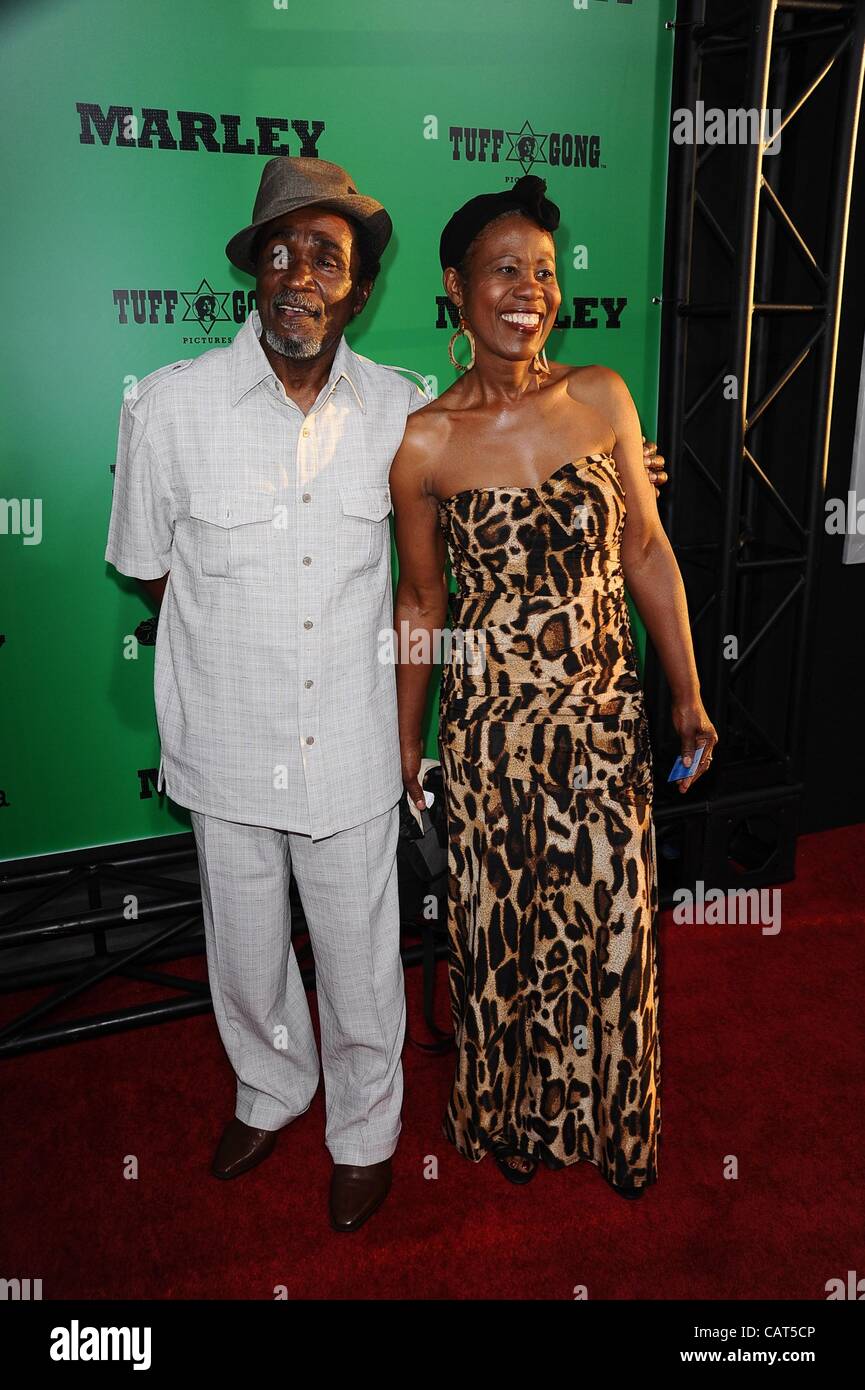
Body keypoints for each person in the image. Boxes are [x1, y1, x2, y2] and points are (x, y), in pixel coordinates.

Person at [105, 157, 668, 1232]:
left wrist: (621, 463)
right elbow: (146, 565)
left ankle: (363, 1133)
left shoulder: (405, 414)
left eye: (328, 256)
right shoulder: (167, 409)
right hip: (225, 736)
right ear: (252, 272)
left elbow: (506, 467)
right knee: (245, 945)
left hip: (357, 744)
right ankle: (270, 1090)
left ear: (360, 289)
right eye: (281, 251)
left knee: (364, 959)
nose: (301, 275)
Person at [391, 174, 717, 1197]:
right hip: (489, 739)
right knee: (503, 933)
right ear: (455, 288)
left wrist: (688, 695)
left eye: (544, 269)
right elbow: (421, 606)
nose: (529, 287)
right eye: (503, 269)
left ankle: (611, 1117)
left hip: (602, 723)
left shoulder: (603, 395)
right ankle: (520, 1116)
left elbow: (649, 556)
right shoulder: (424, 443)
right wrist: (409, 741)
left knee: (610, 924)